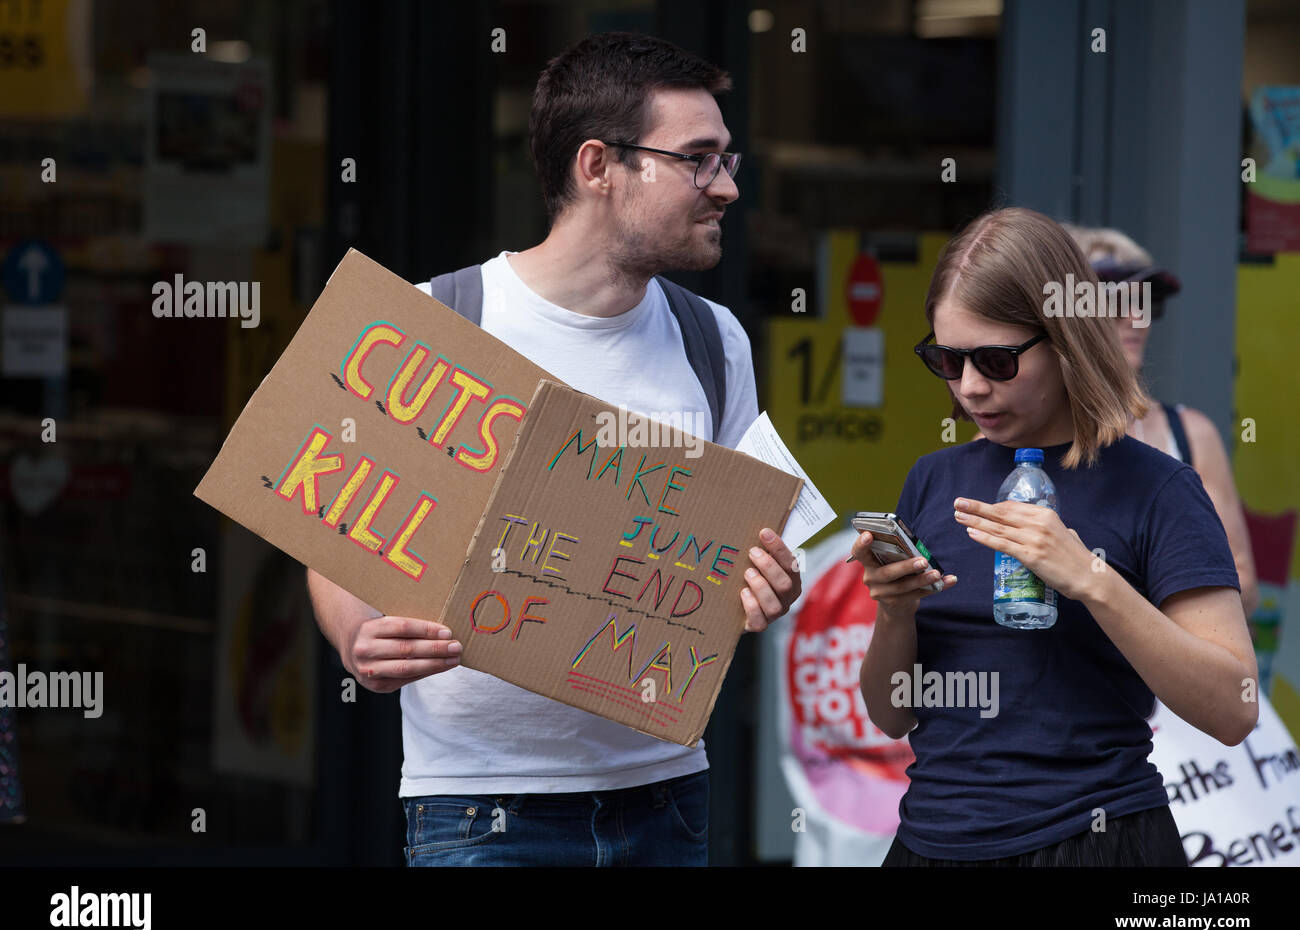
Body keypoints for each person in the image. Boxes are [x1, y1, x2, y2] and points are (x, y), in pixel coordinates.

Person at [306, 31, 801, 867]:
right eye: (699, 160)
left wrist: (767, 582)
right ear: (598, 165)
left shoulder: (714, 339)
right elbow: (336, 536)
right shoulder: (436, 323)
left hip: (667, 795)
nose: (726, 188)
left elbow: (740, 549)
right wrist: (357, 636)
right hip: (480, 804)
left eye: (728, 160)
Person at [851, 207, 1258, 866]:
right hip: (932, 840)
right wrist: (895, 614)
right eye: (948, 361)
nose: (972, 387)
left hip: (1095, 838)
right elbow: (893, 715)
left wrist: (1092, 581)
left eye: (997, 360)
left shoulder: (1156, 489)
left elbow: (1233, 710)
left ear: (1066, 339)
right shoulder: (934, 479)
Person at [1062, 224, 1259, 617]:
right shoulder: (1025, 427)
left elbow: (1243, 585)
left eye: (1145, 301)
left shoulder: (1189, 432)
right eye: (1116, 299)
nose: (1136, 317)